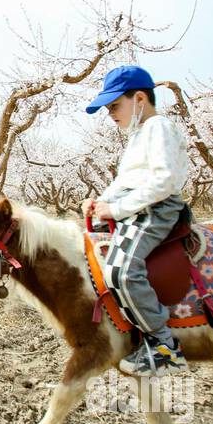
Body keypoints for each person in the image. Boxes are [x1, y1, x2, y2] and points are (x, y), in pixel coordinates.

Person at [82, 65, 193, 377]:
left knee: (123, 270)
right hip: (136, 206)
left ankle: (164, 345)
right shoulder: (137, 135)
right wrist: (101, 201)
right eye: (108, 109)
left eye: (115, 105)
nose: (111, 114)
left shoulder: (158, 127)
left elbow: (164, 180)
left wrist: (115, 210)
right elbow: (125, 181)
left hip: (156, 209)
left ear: (140, 98)